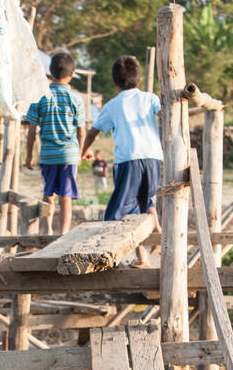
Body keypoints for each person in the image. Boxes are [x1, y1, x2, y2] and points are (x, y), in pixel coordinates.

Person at [81, 55, 162, 266]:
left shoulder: (112, 105)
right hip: (153, 157)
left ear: (115, 82)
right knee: (147, 200)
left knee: (121, 212)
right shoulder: (150, 98)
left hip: (129, 161)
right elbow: (166, 113)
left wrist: (85, 151)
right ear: (140, 79)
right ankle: (153, 238)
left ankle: (114, 255)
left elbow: (93, 131)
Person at [24, 50, 85, 235]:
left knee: (48, 193)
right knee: (66, 196)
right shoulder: (76, 99)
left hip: (48, 155)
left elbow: (32, 132)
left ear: (50, 72)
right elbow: (81, 132)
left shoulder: (40, 97)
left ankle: (47, 230)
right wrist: (80, 153)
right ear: (72, 73)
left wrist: (28, 155)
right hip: (69, 154)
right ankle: (63, 232)